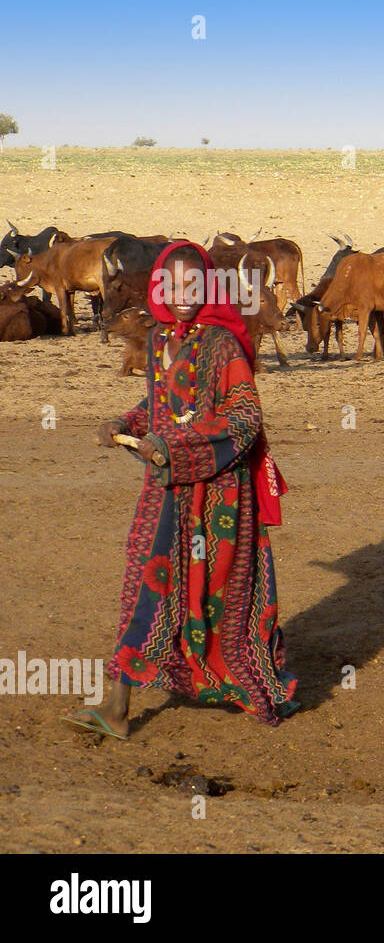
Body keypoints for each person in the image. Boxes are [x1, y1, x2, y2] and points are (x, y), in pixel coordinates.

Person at [62, 241, 296, 740]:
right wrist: (122, 423)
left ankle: (228, 685)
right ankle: (118, 706)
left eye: (194, 283)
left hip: (217, 498)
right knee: (146, 581)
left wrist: (175, 445)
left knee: (217, 593)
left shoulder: (223, 345)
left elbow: (245, 418)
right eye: (174, 284)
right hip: (165, 491)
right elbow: (159, 407)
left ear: (209, 285)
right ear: (159, 287)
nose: (183, 293)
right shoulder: (162, 339)